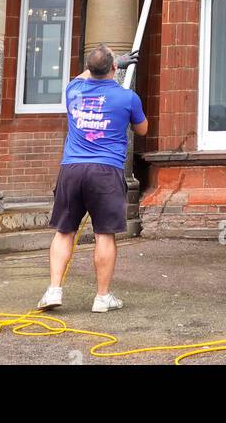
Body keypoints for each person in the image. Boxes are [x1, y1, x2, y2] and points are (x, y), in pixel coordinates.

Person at [37, 43, 147, 314]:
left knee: (64, 231)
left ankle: (54, 289)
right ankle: (101, 297)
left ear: (90, 67)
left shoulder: (73, 91)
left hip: (72, 170)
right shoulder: (127, 98)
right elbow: (143, 129)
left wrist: (111, 63)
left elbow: (83, 75)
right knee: (104, 234)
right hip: (105, 172)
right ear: (113, 68)